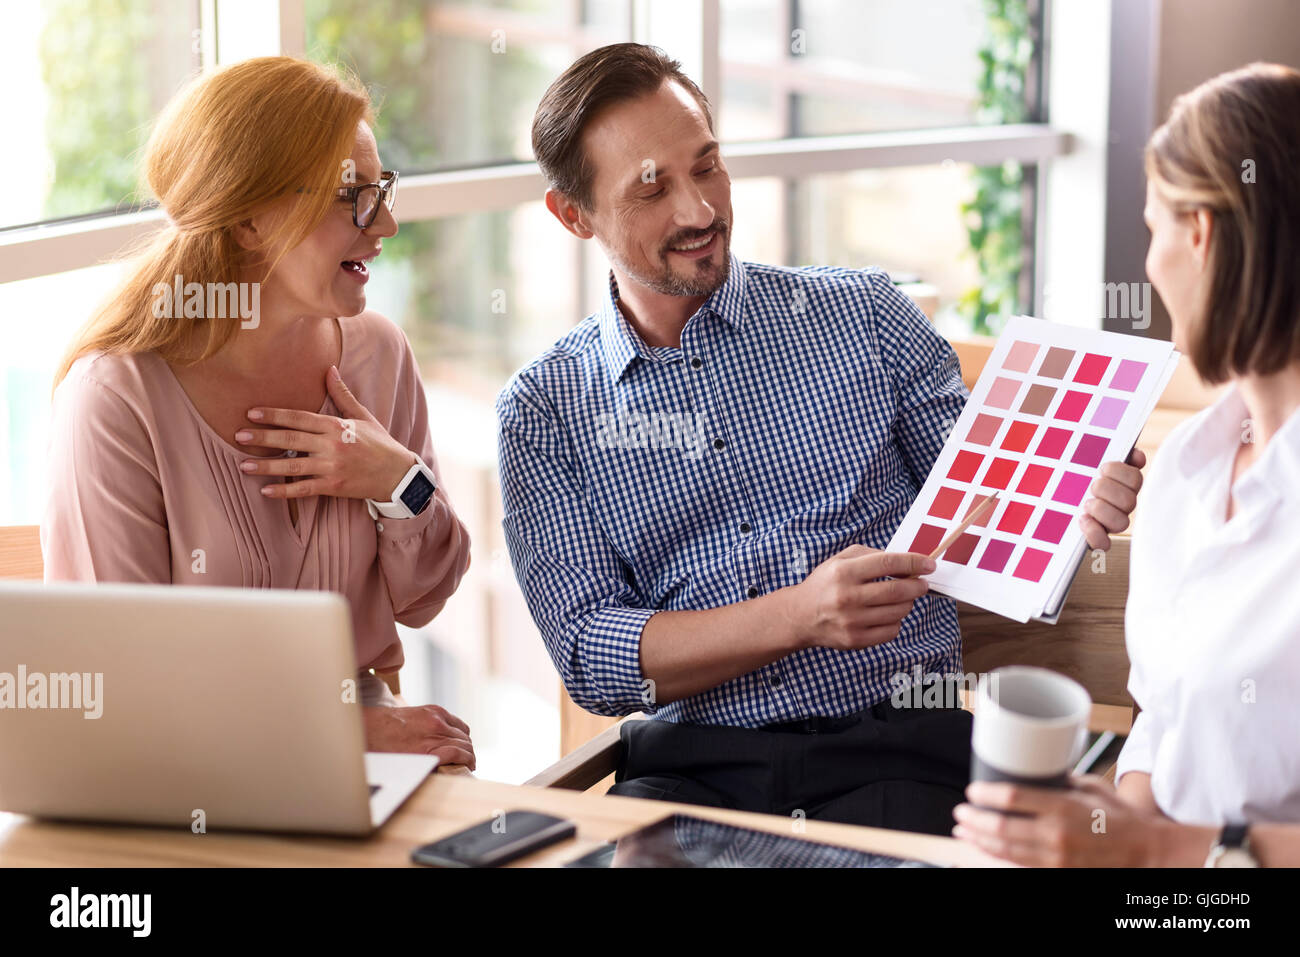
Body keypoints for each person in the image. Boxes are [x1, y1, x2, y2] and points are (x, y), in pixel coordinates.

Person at [496, 43, 1143, 834]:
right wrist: (798, 615)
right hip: (691, 776)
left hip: (904, 753)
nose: (699, 211)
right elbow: (591, 653)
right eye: (652, 189)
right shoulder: (544, 410)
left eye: (707, 166)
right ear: (573, 214)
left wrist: (1074, 491)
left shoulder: (867, 317)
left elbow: (987, 499)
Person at [42, 56, 475, 768]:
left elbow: (425, 598)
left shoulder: (378, 354)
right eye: (351, 196)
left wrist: (400, 484)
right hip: (186, 773)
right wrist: (345, 731)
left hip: (369, 762)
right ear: (247, 221)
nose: (387, 222)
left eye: (381, 189)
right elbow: (121, 689)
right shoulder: (116, 401)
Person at [954, 62, 1300, 866]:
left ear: (1203, 235)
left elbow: (1168, 847)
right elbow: (1163, 730)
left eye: (1153, 230)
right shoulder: (1185, 469)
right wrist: (1096, 825)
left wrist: (1153, 854)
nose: (1148, 267)